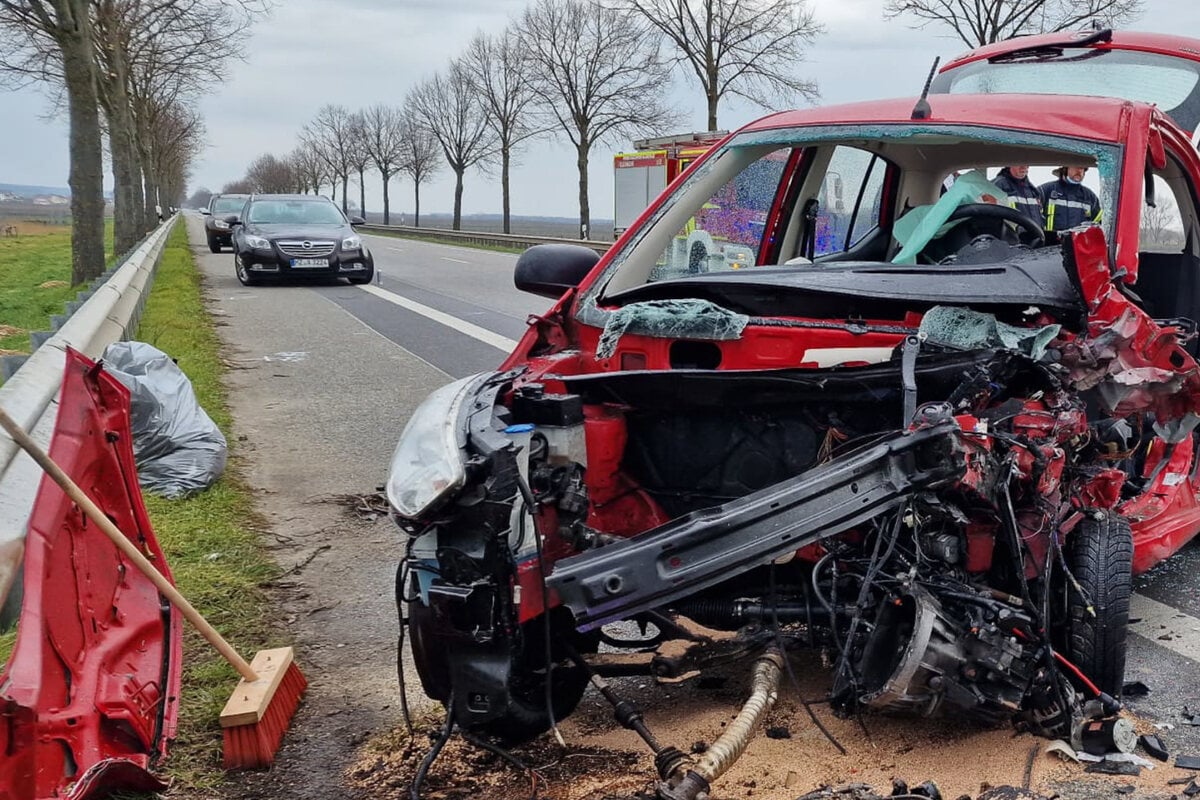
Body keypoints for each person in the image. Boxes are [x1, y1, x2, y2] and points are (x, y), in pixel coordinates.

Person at [1039, 166, 1102, 234]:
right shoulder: (1045, 191)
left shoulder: (1090, 197)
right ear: (1065, 169)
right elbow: (1032, 216)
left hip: (1078, 243)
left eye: (1082, 168)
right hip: (1051, 243)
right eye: (1076, 166)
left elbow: (1100, 223)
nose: (1079, 171)